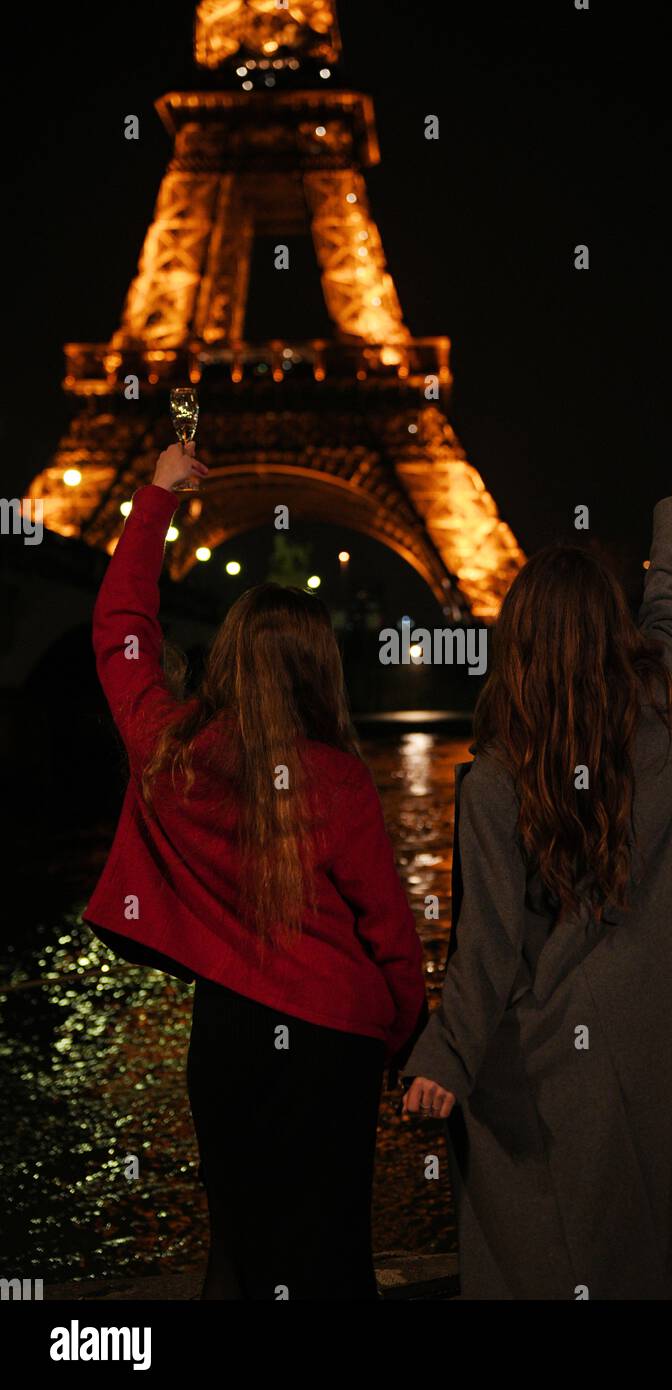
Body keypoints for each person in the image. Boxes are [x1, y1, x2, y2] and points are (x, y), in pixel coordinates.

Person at [401, 411, 672, 1300]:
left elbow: (487, 944)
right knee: (641, 1239)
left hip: (543, 1050)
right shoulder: (660, 712)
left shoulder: (496, 781)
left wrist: (444, 1055)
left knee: (537, 1248)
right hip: (649, 1023)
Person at [83, 440, 426, 1300]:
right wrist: (404, 1037)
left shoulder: (171, 749)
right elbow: (390, 934)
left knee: (237, 1246)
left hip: (230, 1036)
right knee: (336, 1248)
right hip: (334, 1044)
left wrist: (156, 493)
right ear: (320, 670)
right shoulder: (340, 780)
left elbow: (122, 629)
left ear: (231, 658)